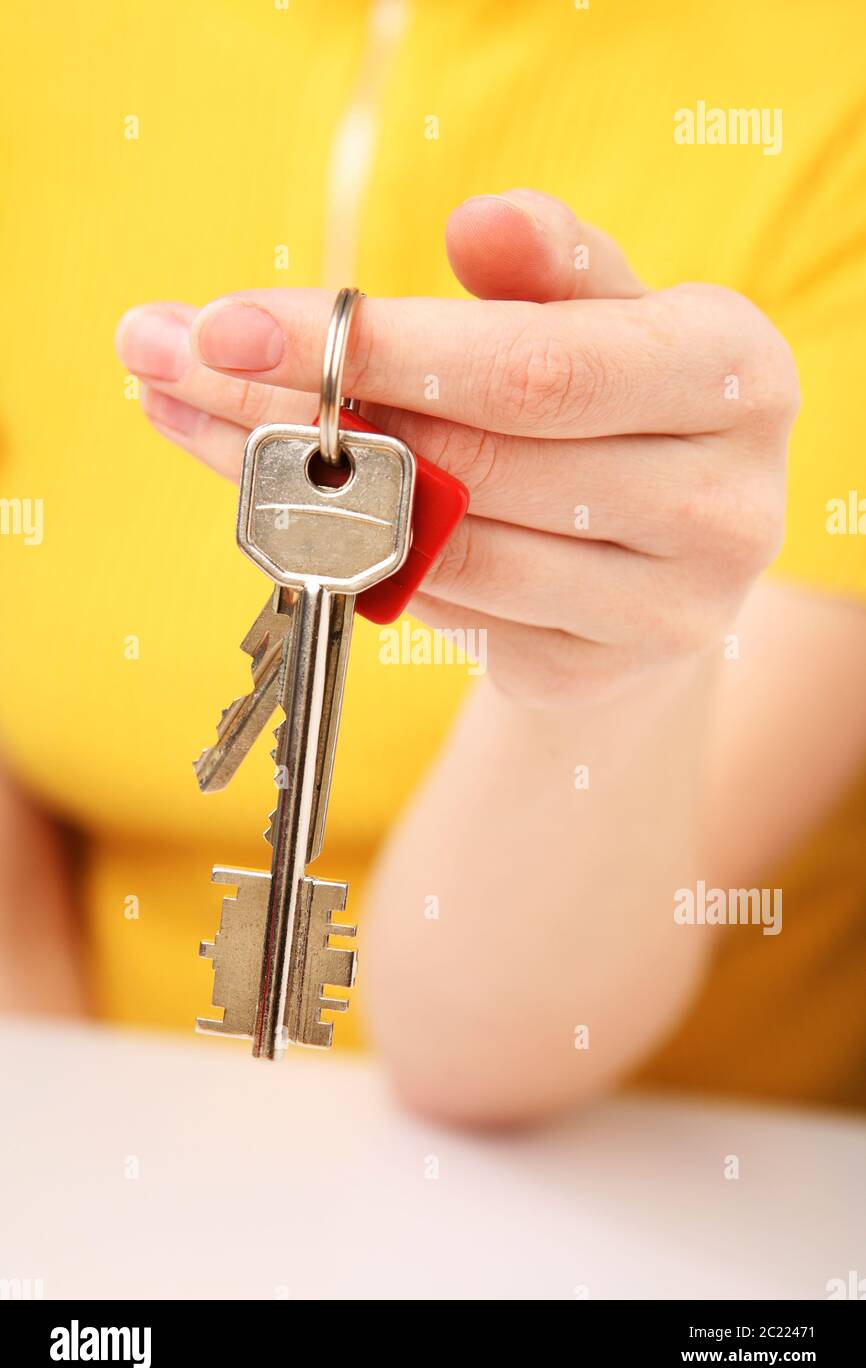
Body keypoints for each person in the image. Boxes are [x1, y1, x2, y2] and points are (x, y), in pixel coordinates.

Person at [1, 1, 864, 1127]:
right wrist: (67, 1121)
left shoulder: (826, 86)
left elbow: (495, 1046)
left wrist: (606, 668)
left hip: (637, 1182)